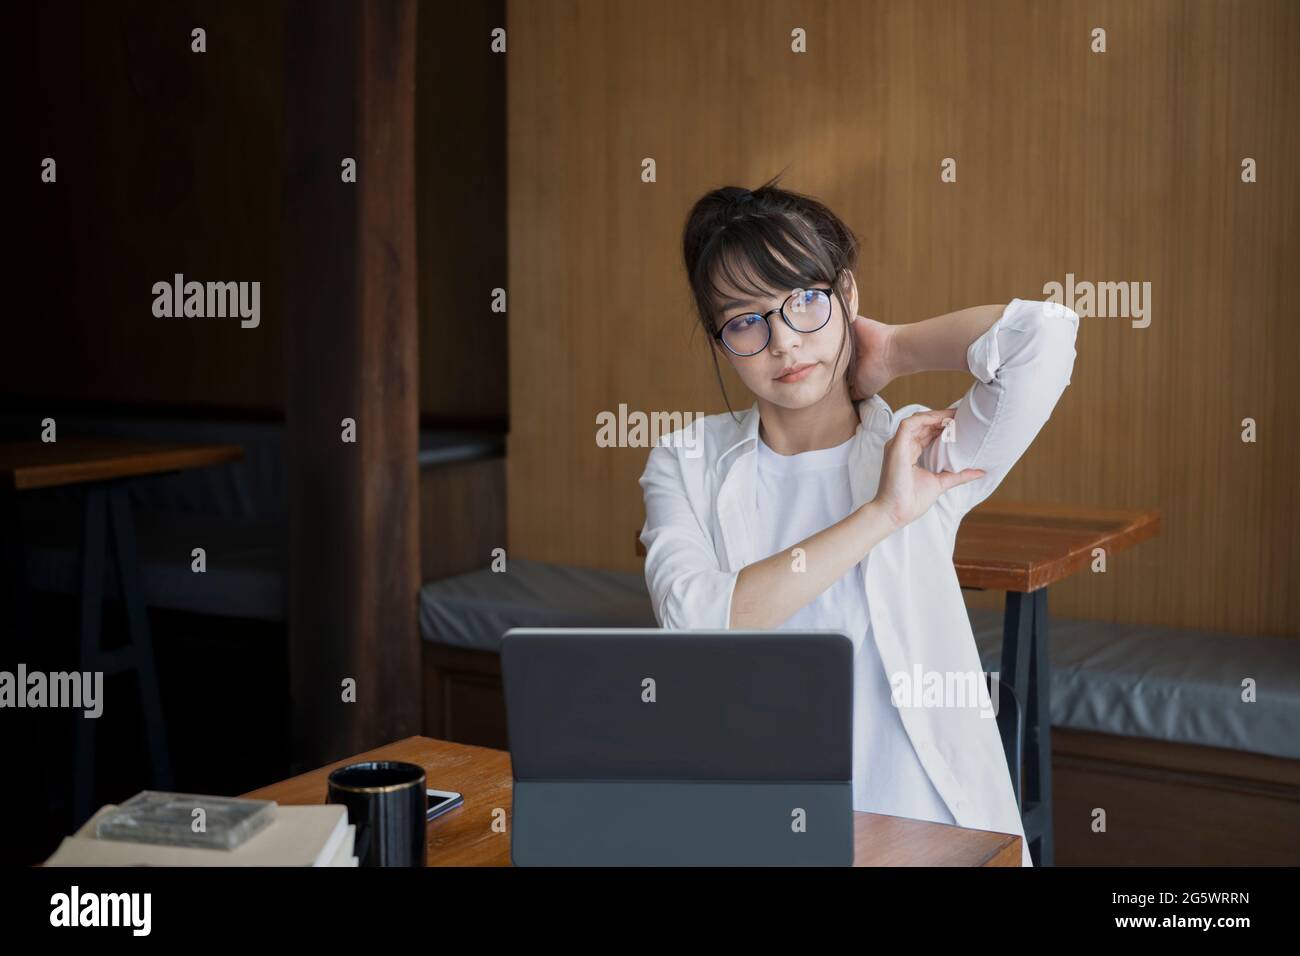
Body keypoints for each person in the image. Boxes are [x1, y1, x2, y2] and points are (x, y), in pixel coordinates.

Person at [638, 175, 1079, 867]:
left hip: (932, 823)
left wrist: (897, 350)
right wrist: (881, 515)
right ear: (720, 341)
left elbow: (1043, 339)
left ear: (846, 295)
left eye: (805, 301)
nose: (783, 341)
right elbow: (698, 623)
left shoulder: (921, 444)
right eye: (745, 319)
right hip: (766, 829)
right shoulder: (685, 461)